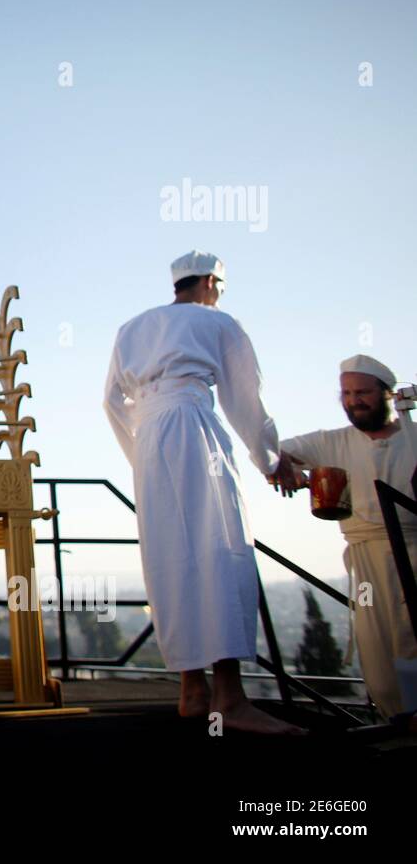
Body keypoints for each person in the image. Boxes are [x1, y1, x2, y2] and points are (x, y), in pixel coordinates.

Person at [104, 250, 302, 734]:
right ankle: (229, 698)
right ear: (211, 282)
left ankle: (193, 690)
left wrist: (143, 459)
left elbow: (111, 401)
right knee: (222, 548)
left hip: (149, 439)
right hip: (193, 428)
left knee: (171, 556)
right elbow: (244, 397)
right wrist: (271, 461)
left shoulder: (132, 327)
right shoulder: (219, 323)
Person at [274, 354, 417, 718]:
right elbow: (275, 452)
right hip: (365, 559)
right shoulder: (331, 442)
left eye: (363, 392)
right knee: (376, 648)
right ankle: (393, 720)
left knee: (412, 641)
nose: (354, 400)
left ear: (387, 394)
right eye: (347, 393)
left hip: (414, 552)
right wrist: (287, 471)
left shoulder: (412, 437)